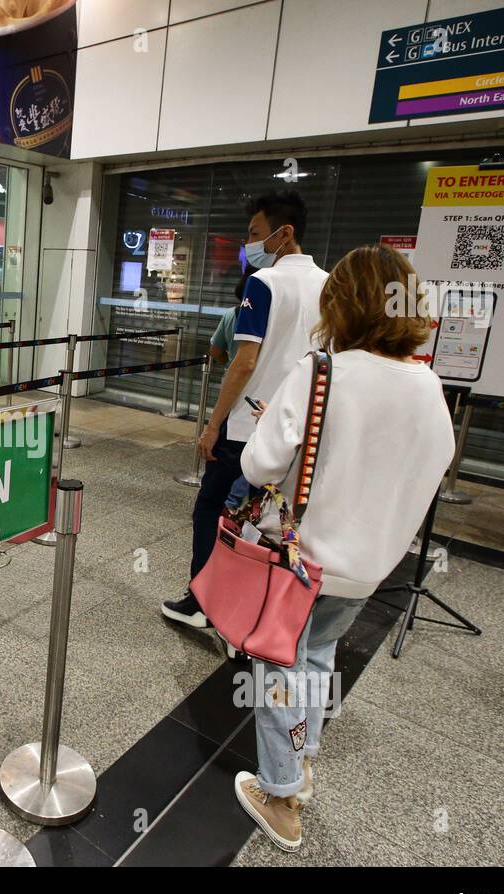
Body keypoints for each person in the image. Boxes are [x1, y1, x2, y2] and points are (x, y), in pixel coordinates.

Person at [231, 244, 455, 852]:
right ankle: (303, 758)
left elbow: (258, 465)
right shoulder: (429, 385)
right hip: (368, 568)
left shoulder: (322, 370)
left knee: (278, 664)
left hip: (304, 559)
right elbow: (435, 464)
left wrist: (267, 428)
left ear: (343, 305)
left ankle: (279, 794)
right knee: (321, 655)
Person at [162, 190, 328, 629]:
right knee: (266, 519)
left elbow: (244, 361)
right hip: (298, 428)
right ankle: (254, 607)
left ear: (284, 233)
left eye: (255, 233)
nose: (249, 242)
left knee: (211, 509)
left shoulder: (264, 284)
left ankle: (204, 602)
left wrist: (212, 425)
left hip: (247, 426)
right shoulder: (330, 284)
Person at [210, 271, 257, 511]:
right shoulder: (269, 318)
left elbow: (215, 350)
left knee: (227, 444)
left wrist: (230, 364)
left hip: (231, 389)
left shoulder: (231, 314)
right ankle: (235, 498)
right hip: (260, 394)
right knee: (253, 448)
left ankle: (225, 499)